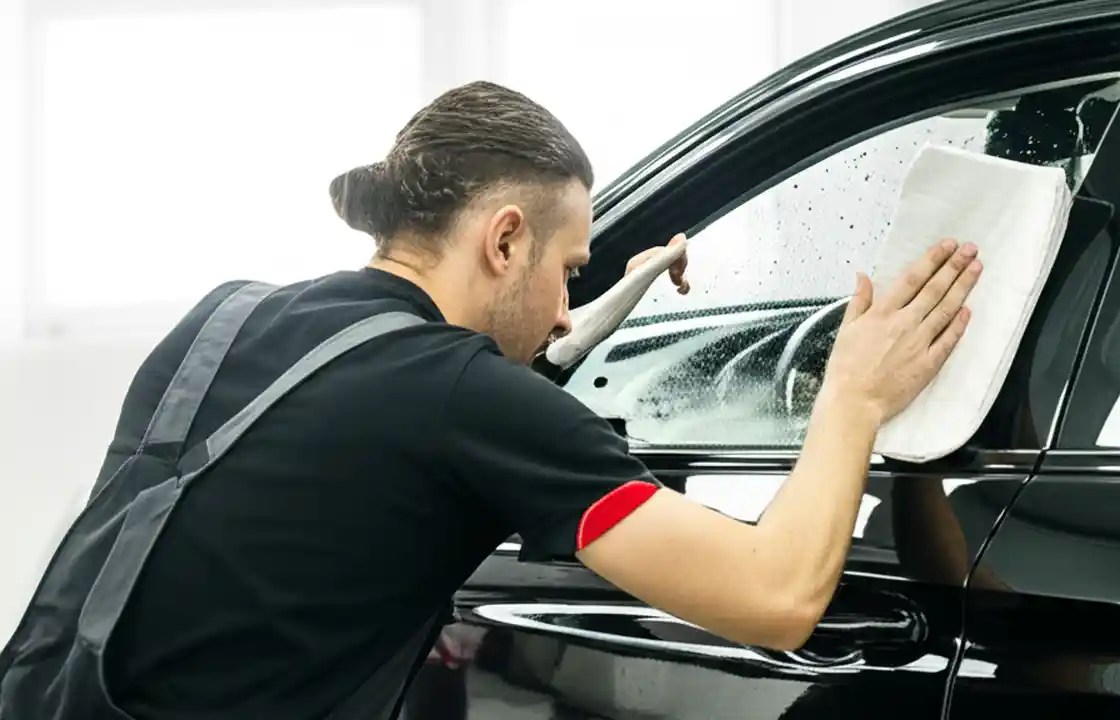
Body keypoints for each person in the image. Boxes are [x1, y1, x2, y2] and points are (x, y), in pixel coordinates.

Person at [25, 80, 981, 719]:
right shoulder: (464, 400)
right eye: (568, 269)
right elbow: (776, 598)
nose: (566, 306)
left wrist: (613, 300)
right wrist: (854, 392)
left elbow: (403, 412)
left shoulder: (225, 319)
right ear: (505, 238)